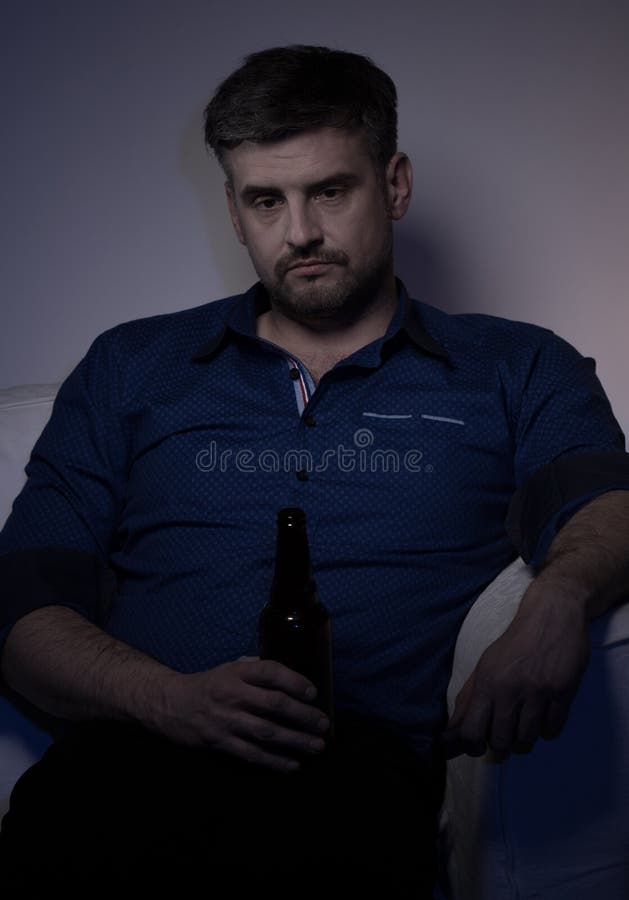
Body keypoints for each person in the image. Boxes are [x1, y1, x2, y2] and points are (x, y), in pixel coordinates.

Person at [1, 44, 629, 897]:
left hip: (355, 777)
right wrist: (166, 700)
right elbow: (25, 600)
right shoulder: (131, 366)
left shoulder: (515, 366)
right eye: (266, 200)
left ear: (395, 184)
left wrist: (559, 600)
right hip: (130, 757)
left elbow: (603, 497)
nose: (299, 232)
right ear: (232, 210)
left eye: (329, 191)